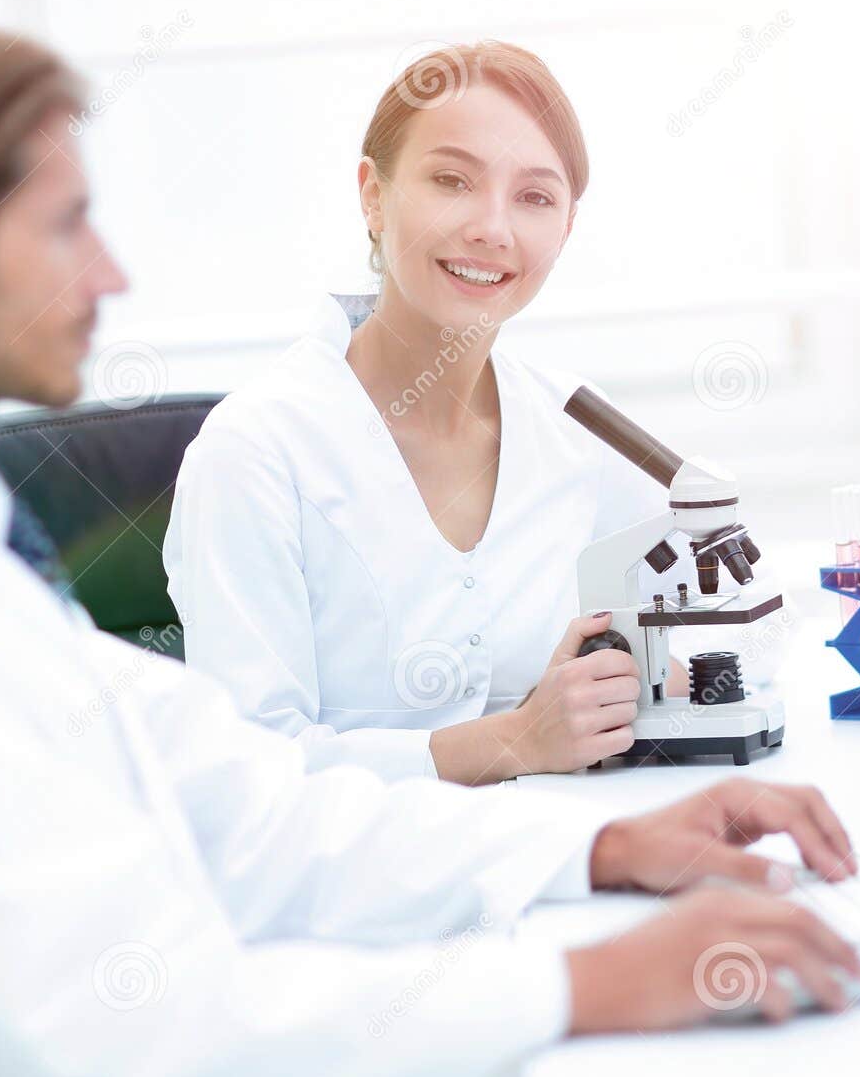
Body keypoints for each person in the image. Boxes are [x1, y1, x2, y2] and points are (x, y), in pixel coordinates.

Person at [0, 26, 860, 1077]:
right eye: (67, 225)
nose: (112, 273)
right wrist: (586, 984)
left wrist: (604, 850)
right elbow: (109, 1043)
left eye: (535, 196)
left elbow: (260, 814)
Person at [164, 42, 701, 787]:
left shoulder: (580, 427)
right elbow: (251, 770)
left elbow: (750, 622)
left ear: (567, 228)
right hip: (361, 861)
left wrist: (655, 675)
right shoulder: (254, 451)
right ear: (373, 196)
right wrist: (514, 741)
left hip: (570, 841)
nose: (493, 228)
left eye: (535, 198)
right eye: (452, 181)